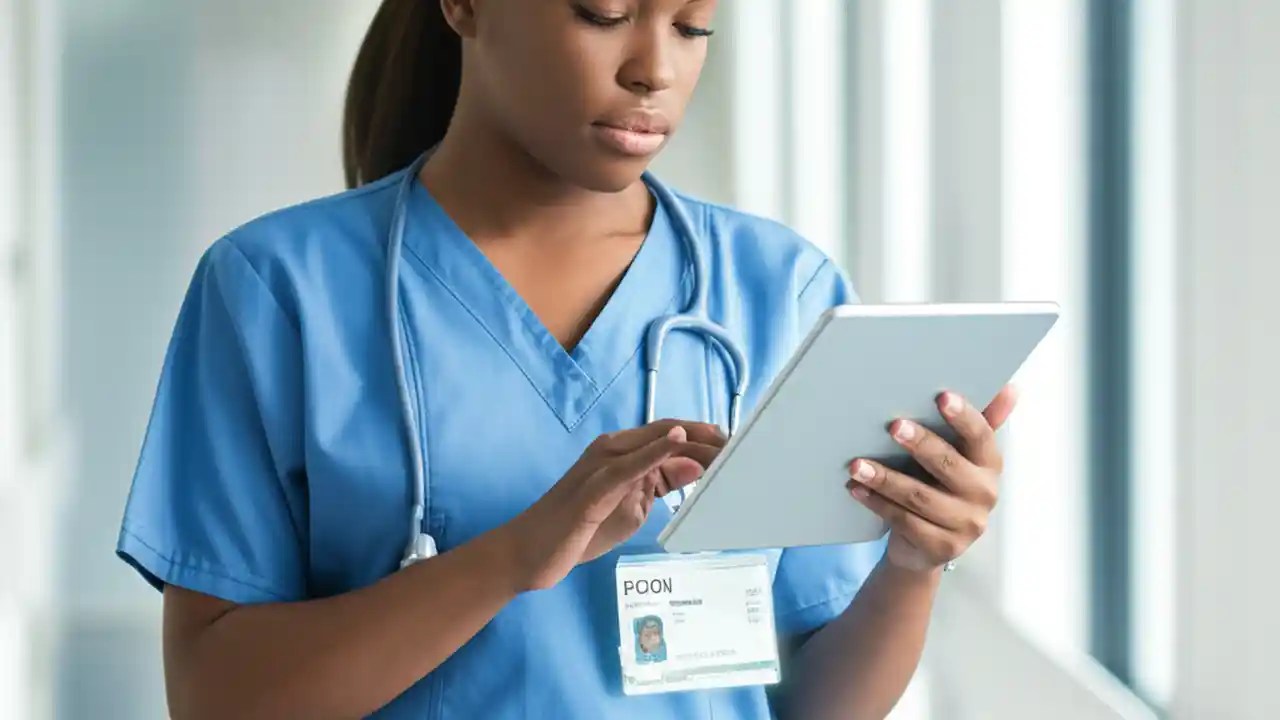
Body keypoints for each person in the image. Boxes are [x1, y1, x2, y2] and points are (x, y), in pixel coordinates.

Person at [115, 0, 1018, 718]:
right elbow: (214, 697)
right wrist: (513, 556)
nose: (654, 69)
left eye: (693, 26)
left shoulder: (779, 291)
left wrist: (912, 566)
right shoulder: (278, 290)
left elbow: (812, 704)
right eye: (603, 13)